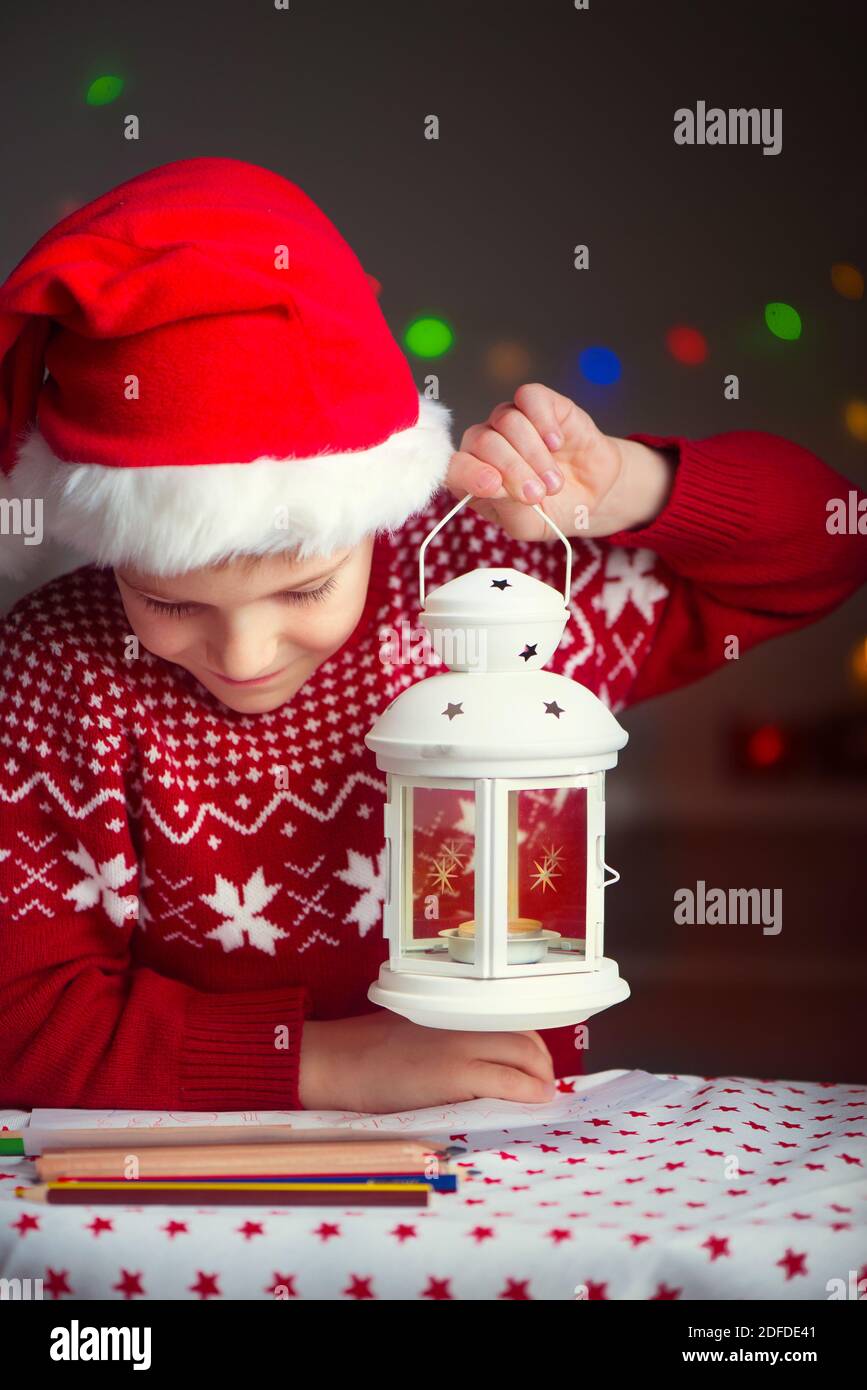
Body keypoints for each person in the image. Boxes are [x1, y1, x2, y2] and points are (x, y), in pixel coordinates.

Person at [0, 157, 863, 1114]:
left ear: (371, 512)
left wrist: (624, 488)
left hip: (499, 1165)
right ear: (113, 547)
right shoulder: (56, 672)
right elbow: (21, 1017)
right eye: (169, 604)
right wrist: (317, 1065)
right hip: (192, 1191)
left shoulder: (486, 600)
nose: (242, 657)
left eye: (306, 588)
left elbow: (830, 544)